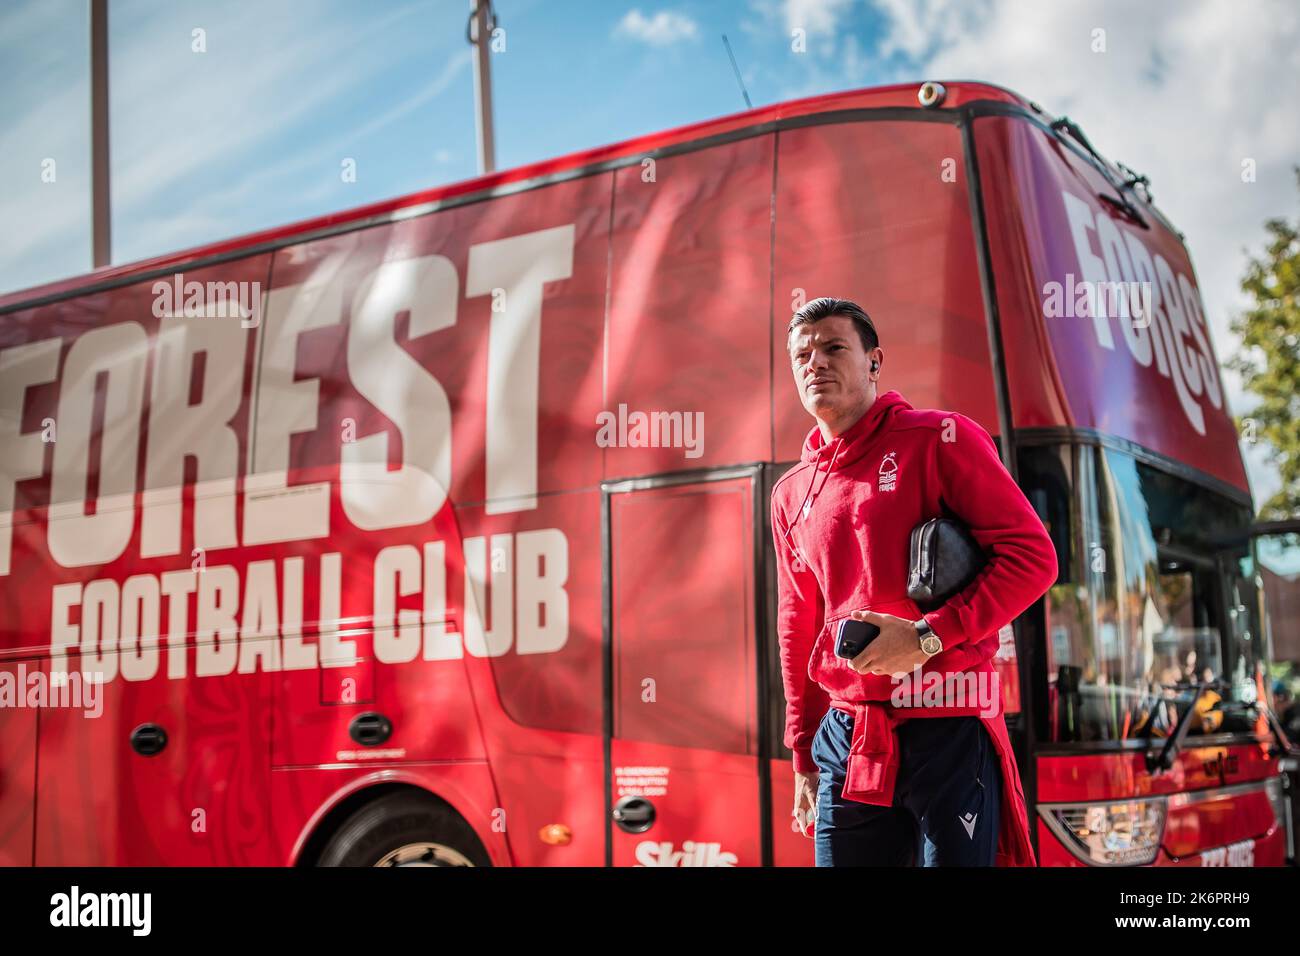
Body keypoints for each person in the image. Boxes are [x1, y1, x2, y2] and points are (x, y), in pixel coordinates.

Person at [771, 297, 1058, 866]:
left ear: (874, 361)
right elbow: (797, 623)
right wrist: (802, 752)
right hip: (846, 737)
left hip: (947, 726)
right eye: (803, 355)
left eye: (834, 348)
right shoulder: (790, 491)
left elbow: (1033, 558)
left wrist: (927, 637)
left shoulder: (940, 438)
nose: (815, 364)